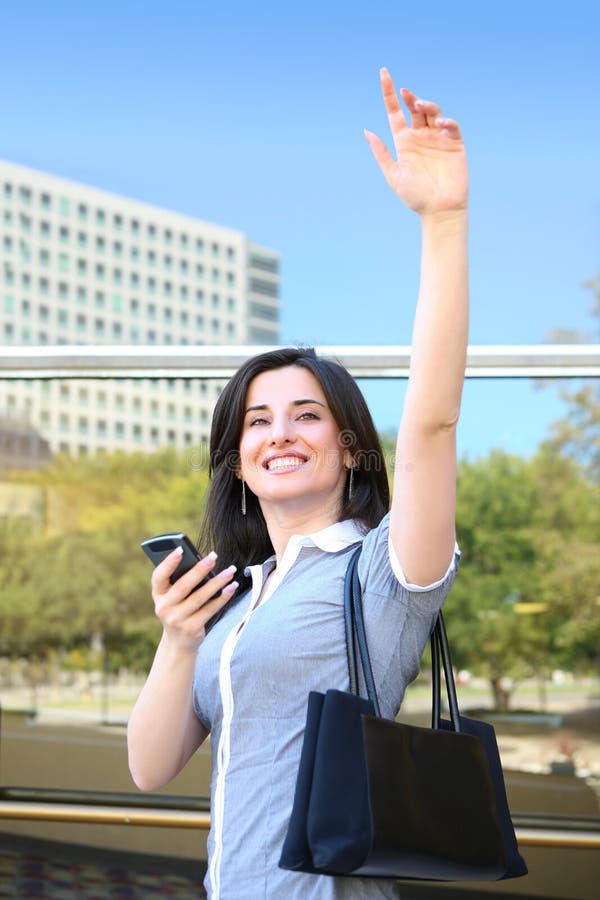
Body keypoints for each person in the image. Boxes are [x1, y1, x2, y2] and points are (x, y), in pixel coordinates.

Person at [127, 66, 469, 900]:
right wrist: (177, 640)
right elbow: (150, 767)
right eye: (256, 420)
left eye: (307, 415)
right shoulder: (235, 593)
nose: (279, 431)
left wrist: (445, 222)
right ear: (238, 459)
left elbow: (429, 425)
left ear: (351, 448)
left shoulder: (385, 568)